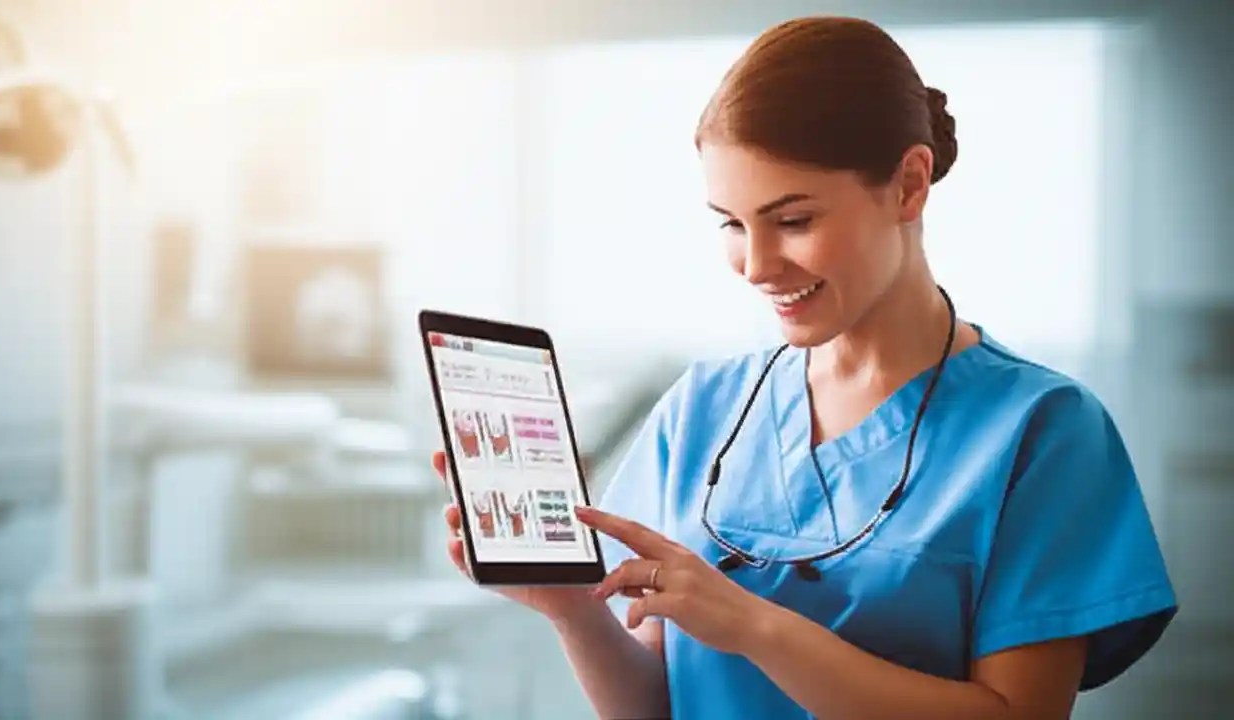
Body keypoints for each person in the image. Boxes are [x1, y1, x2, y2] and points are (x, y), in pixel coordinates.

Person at [432, 16, 1176, 720]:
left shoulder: (1042, 430)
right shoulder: (702, 411)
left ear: (910, 184)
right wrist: (570, 610)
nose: (756, 265)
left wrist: (754, 627)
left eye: (793, 221)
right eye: (732, 223)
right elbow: (656, 704)